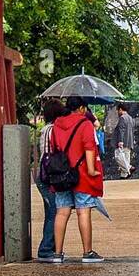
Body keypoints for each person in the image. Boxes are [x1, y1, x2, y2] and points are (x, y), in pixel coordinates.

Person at [51, 96, 105, 263]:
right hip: (81, 173)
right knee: (83, 211)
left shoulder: (56, 125)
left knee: (61, 212)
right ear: (82, 108)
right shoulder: (85, 124)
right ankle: (87, 252)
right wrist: (91, 169)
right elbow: (89, 147)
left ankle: (57, 254)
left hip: (61, 174)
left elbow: (54, 148)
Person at [34, 97, 67, 263]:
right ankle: (46, 249)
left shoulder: (46, 128)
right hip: (48, 176)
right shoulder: (53, 129)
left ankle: (51, 247)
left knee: (52, 212)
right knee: (54, 212)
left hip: (43, 174)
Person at [112, 103, 136, 177]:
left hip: (123, 142)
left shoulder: (122, 118)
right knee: (126, 159)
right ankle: (124, 175)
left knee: (118, 156)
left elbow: (121, 130)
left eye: (118, 111)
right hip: (129, 142)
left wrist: (120, 141)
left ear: (120, 109)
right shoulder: (130, 118)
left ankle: (129, 168)